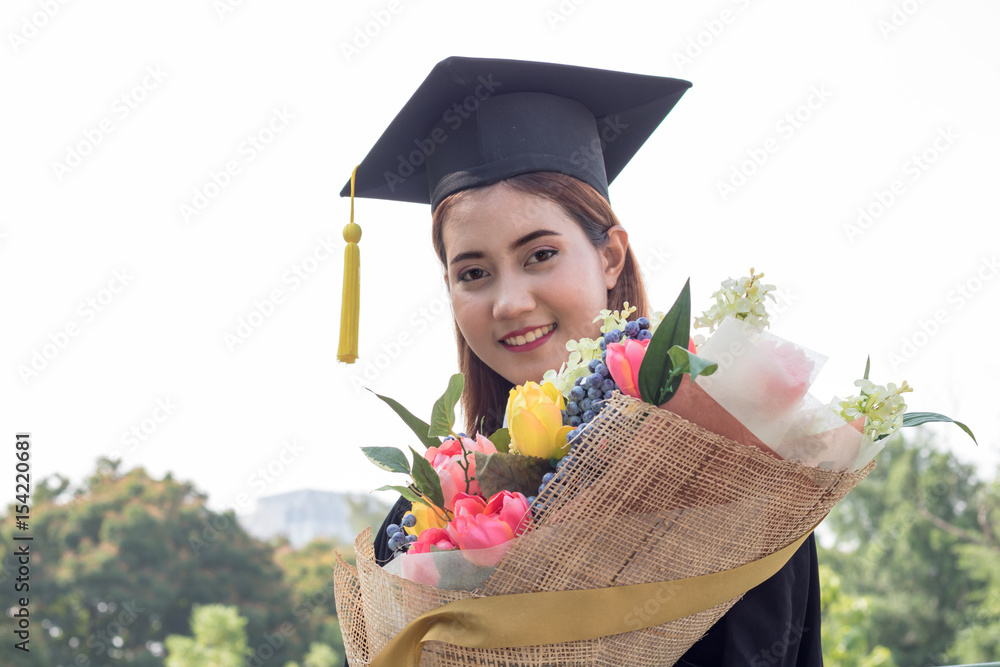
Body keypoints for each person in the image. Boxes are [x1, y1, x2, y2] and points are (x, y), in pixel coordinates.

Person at [339, 56, 823, 666]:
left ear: (611, 256)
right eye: (474, 273)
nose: (510, 301)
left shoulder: (734, 479)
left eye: (540, 254)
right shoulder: (422, 523)